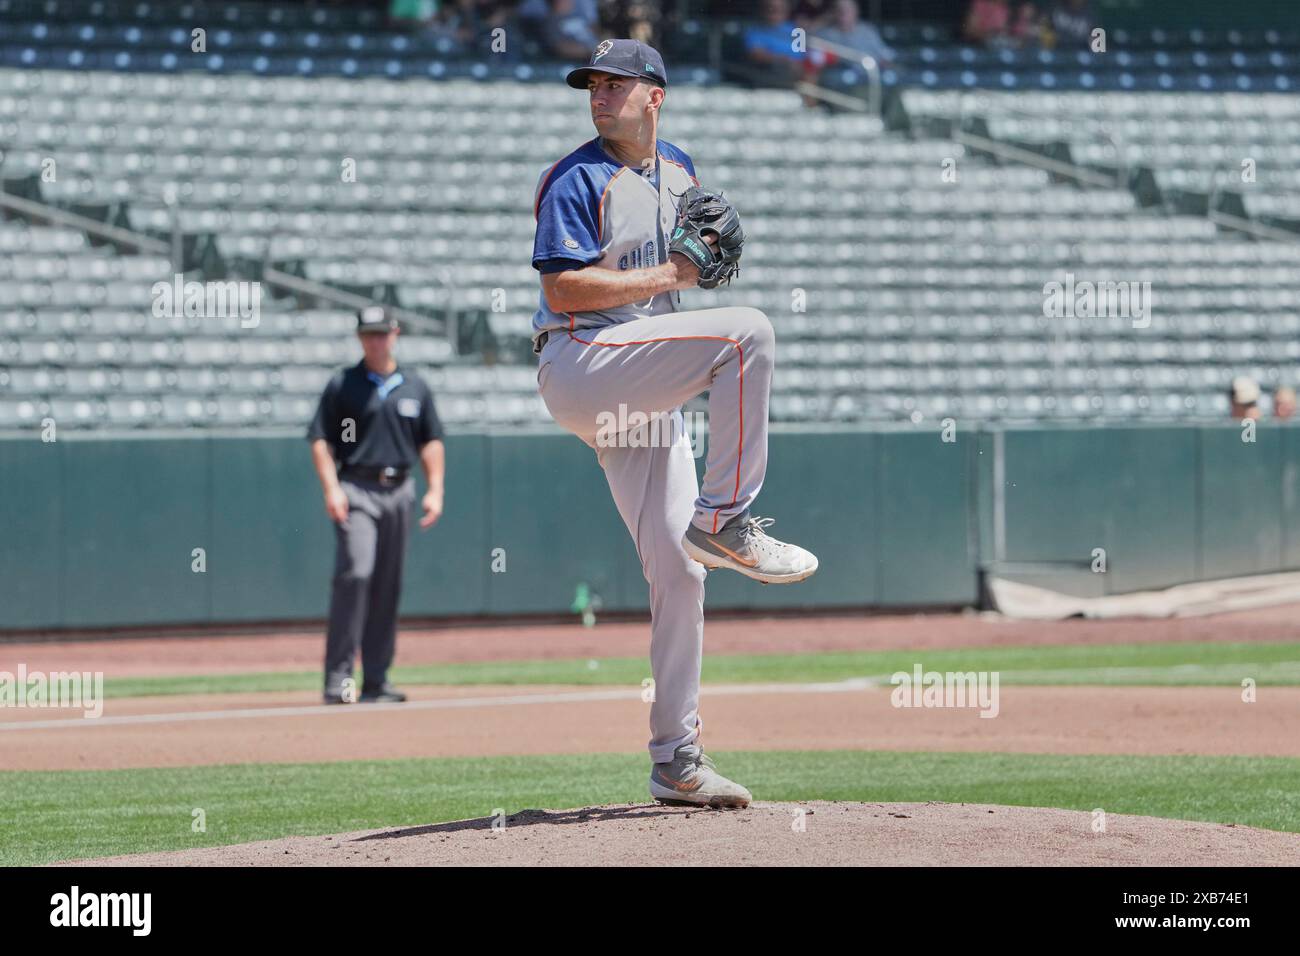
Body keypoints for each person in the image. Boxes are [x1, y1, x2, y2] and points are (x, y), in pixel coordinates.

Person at [530, 39, 819, 808]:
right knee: (748, 331)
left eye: (615, 83)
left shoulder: (682, 170)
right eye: (592, 83)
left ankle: (676, 761)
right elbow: (562, 291)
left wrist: (701, 271)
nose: (599, 93)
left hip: (640, 392)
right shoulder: (575, 177)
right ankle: (726, 517)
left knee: (681, 571)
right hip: (583, 362)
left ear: (654, 95)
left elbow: (690, 275)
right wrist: (679, 274)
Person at [308, 306, 446, 705]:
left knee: (387, 585)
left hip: (399, 488)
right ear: (359, 338)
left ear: (395, 334)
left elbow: (431, 440)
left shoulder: (413, 386)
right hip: (357, 487)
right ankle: (338, 679)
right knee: (356, 573)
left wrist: (435, 489)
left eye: (381, 333)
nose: (376, 340)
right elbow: (320, 439)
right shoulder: (344, 384)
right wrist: (331, 488)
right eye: (368, 334)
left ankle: (376, 680)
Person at [813, 0, 896, 72]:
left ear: (855, 11)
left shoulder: (868, 31)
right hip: (839, 80)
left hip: (870, 78)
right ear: (834, 13)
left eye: (847, 10)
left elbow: (884, 54)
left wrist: (885, 63)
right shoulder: (825, 35)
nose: (843, 14)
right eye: (839, 10)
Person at [743, 0, 806, 89]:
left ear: (787, 10)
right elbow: (755, 54)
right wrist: (783, 60)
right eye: (771, 8)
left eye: (779, 9)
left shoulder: (798, 31)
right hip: (765, 79)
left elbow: (802, 59)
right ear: (763, 10)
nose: (774, 11)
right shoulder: (754, 30)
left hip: (794, 81)